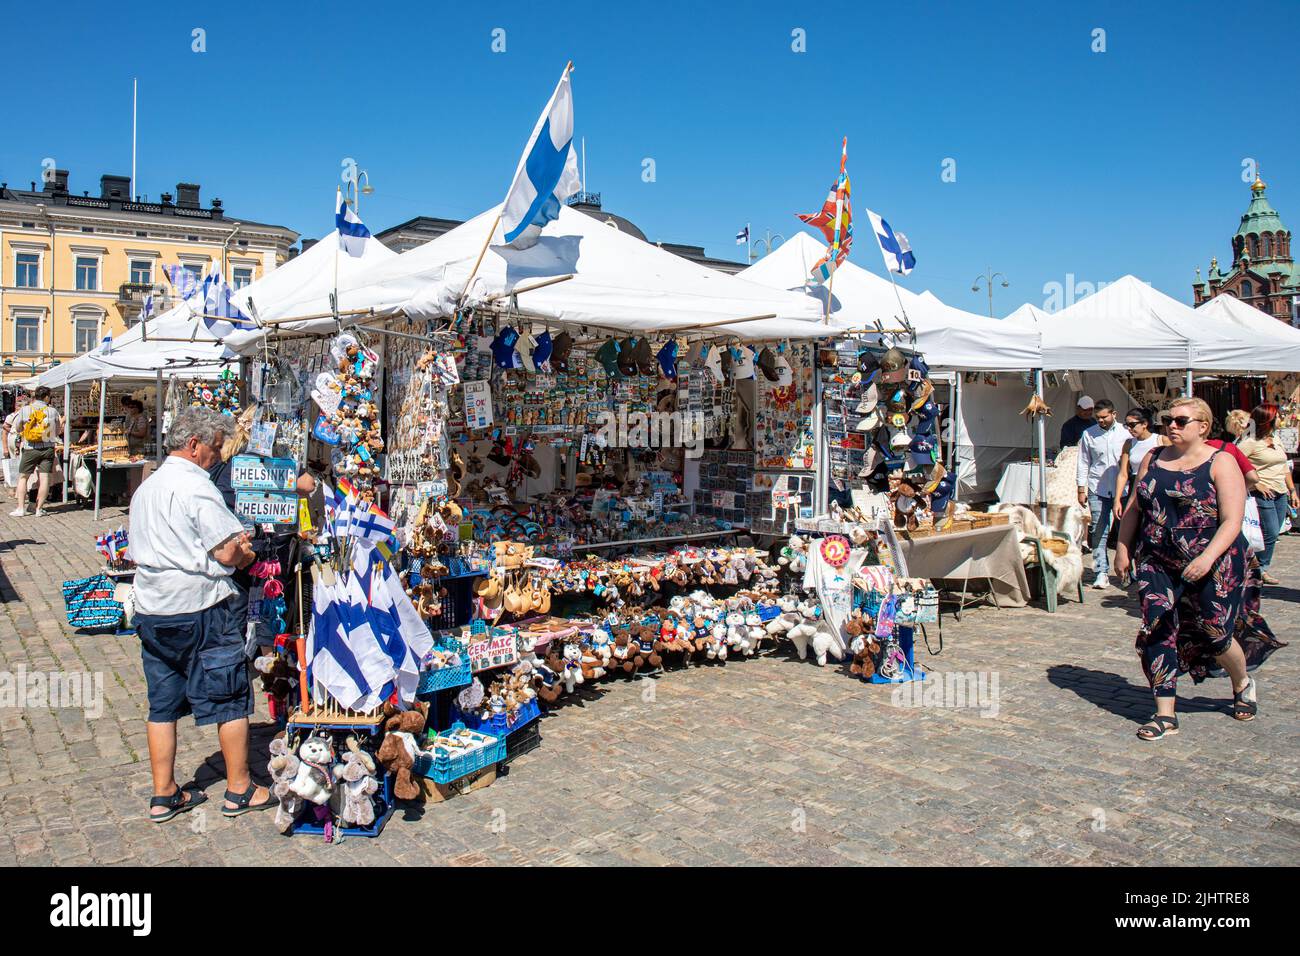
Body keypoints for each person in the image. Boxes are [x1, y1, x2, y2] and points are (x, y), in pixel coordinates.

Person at [128, 407, 274, 823]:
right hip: (200, 605)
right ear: (194, 445)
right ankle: (240, 788)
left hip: (154, 607)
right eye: (213, 448)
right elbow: (228, 552)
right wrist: (246, 551)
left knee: (162, 703)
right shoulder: (196, 487)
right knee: (228, 694)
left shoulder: (147, 487)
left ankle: (164, 793)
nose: (217, 456)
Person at [1114, 397, 1275, 741]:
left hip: (1213, 559)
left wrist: (1205, 559)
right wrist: (1123, 549)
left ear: (1202, 426)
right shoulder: (1152, 459)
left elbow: (1232, 521)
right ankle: (1165, 714)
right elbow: (1134, 508)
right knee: (1158, 629)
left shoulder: (1221, 462)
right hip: (1157, 560)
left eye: (1180, 420)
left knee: (1216, 633)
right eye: (1168, 419)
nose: (1171, 425)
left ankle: (1242, 681)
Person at [1236, 403, 1299, 585]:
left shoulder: (1275, 439)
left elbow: (1283, 466)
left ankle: (1259, 567)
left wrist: (1292, 490)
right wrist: (1256, 483)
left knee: (1274, 532)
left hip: (1280, 492)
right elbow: (1233, 464)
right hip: (1261, 493)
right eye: (1277, 416)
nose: (1280, 419)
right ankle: (1259, 569)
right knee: (1269, 532)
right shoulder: (1249, 442)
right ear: (1268, 420)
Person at [1076, 399, 1127, 588]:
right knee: (1099, 530)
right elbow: (1083, 462)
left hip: (1123, 489)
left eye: (1104, 417)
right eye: (1098, 418)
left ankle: (1126, 569)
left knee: (1125, 530)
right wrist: (1081, 488)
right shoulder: (1089, 434)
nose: (1101, 421)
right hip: (1097, 487)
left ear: (1114, 414)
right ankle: (1101, 571)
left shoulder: (1125, 432)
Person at [10, 385, 64, 518]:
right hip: (48, 448)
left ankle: (21, 508)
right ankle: (39, 509)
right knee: (44, 478)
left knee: (23, 477)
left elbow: (17, 427)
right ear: (46, 397)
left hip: (30, 447)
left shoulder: (26, 409)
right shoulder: (52, 411)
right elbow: (57, 431)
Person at [1113, 407, 1168, 518]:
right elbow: (1123, 473)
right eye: (1126, 425)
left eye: (1132, 425)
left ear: (1144, 424)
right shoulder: (1129, 443)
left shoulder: (1161, 440)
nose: (1129, 429)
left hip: (1156, 485)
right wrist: (1117, 499)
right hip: (1135, 486)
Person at [3, 391, 28, 499]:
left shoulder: (11, 415)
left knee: (15, 465)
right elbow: (5, 430)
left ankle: (14, 490)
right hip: (18, 441)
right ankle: (18, 491)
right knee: (20, 466)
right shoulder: (20, 415)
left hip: (13, 440)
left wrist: (5, 448)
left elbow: (5, 430)